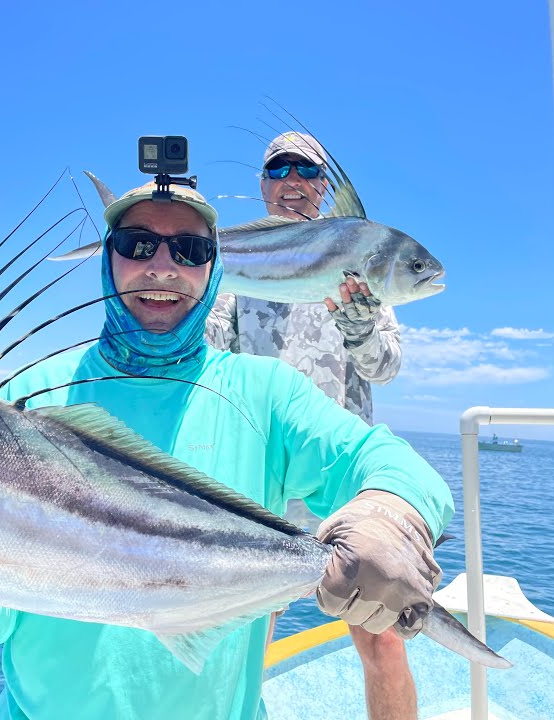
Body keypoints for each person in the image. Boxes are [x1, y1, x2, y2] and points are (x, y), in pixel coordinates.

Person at [0, 179, 454, 720]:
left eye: (190, 248)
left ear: (216, 267)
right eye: (137, 243)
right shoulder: (18, 405)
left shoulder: (266, 394)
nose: (162, 267)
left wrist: (389, 514)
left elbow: (403, 470)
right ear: (108, 257)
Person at [205, 132, 416, 720]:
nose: (292, 179)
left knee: (382, 634)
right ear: (263, 183)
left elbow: (388, 366)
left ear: (324, 184)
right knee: (249, 637)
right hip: (260, 477)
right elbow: (209, 348)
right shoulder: (234, 252)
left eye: (306, 169)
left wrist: (360, 328)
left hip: (340, 478)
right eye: (278, 169)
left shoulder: (360, 252)